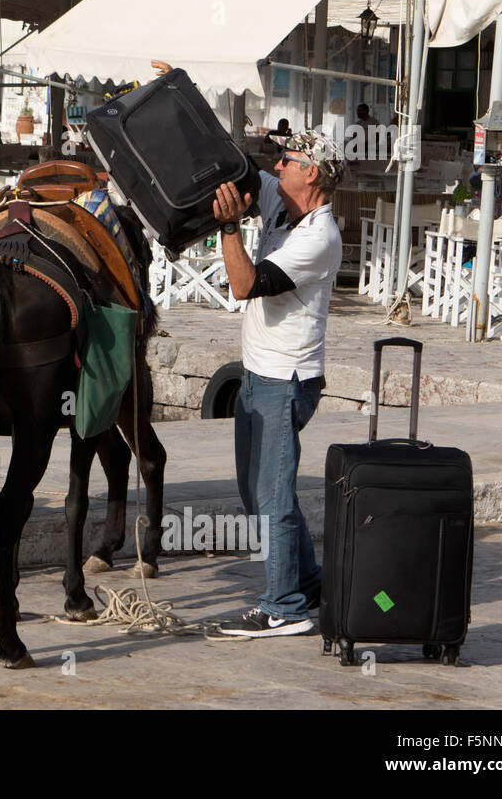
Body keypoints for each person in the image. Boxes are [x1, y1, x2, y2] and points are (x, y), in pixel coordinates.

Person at [209, 116, 346, 638]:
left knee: (272, 496)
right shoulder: (282, 203)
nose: (277, 165)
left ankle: (283, 607)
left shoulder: (319, 237)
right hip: (257, 374)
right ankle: (307, 580)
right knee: (257, 492)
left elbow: (244, 284)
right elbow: (239, 168)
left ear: (312, 176)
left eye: (288, 161)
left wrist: (228, 229)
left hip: (285, 381)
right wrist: (180, 86)